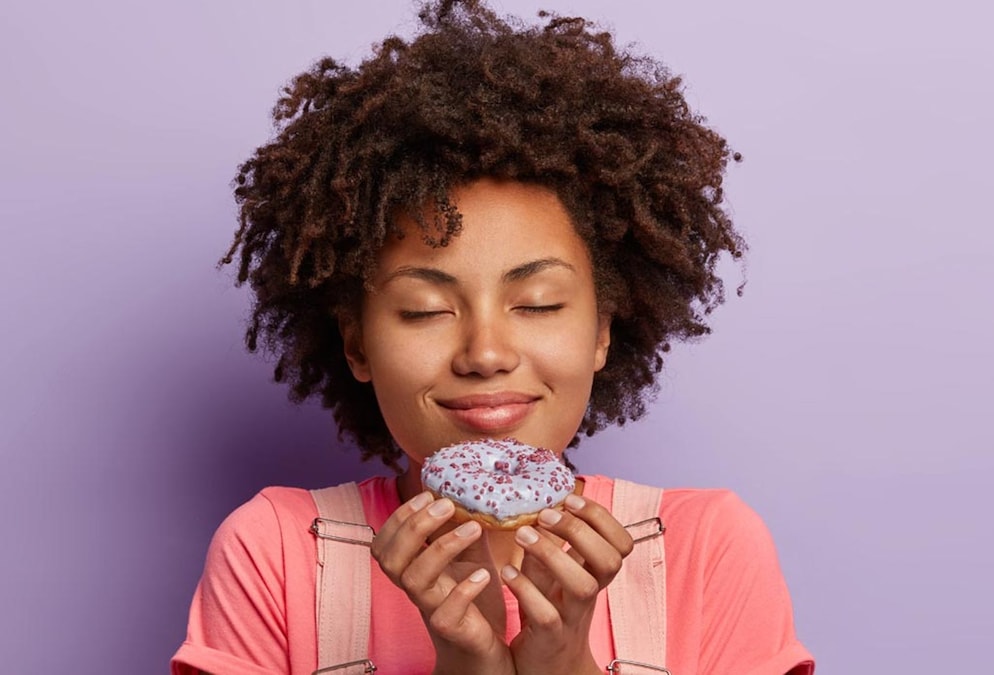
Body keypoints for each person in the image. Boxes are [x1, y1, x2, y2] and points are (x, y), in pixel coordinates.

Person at [172, 1, 815, 673]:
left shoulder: (706, 547)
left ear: (601, 331)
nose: (485, 353)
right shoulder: (275, 549)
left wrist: (563, 664)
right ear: (357, 344)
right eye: (423, 309)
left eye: (537, 304)